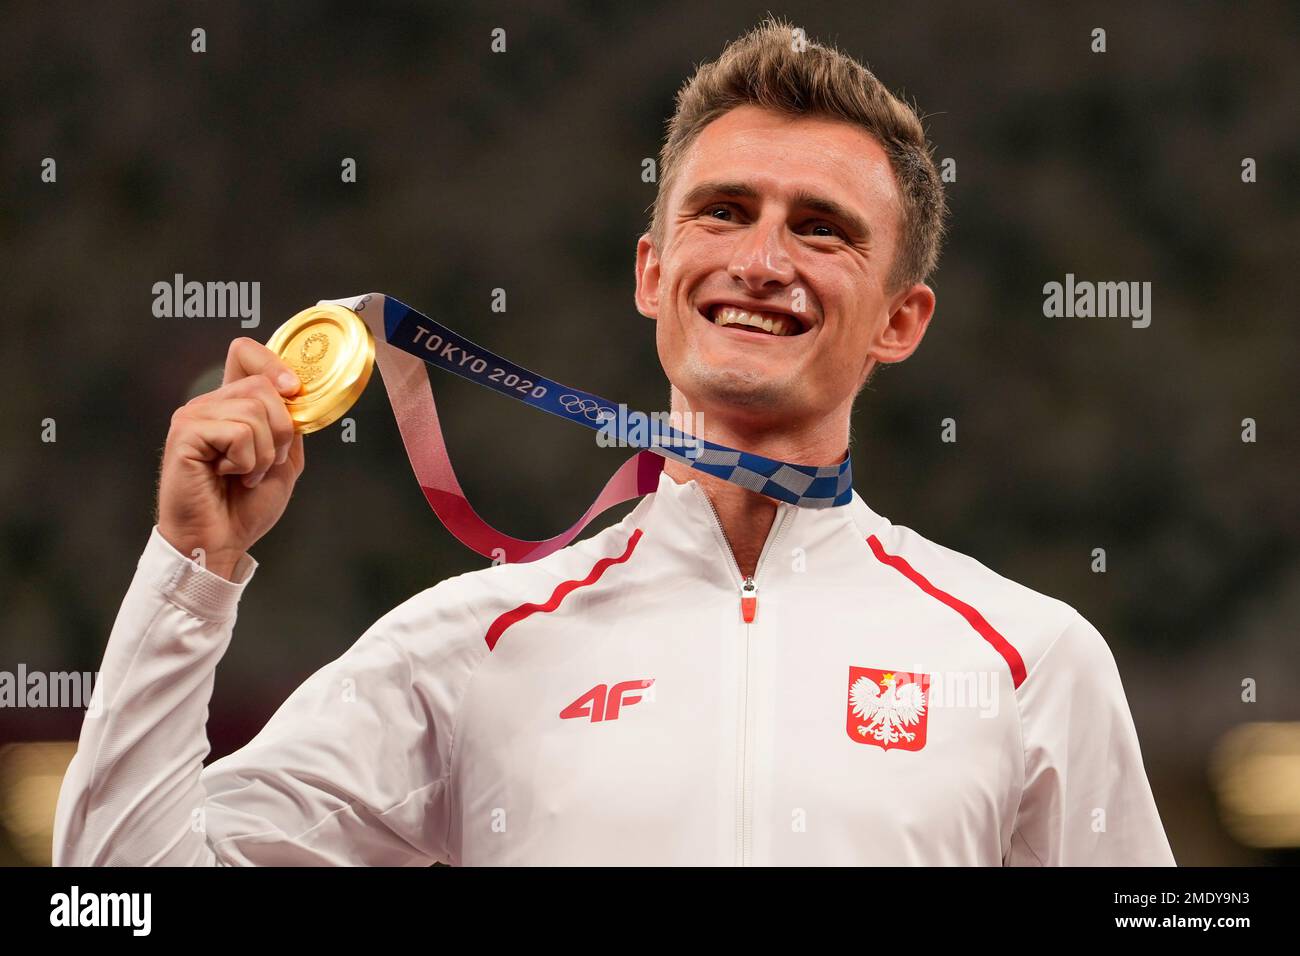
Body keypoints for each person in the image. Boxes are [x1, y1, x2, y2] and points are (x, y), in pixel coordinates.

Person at [53, 17, 1175, 866]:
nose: (763, 259)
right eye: (723, 211)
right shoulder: (472, 642)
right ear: (653, 271)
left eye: (821, 229)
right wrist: (190, 572)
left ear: (899, 318)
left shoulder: (1029, 657)